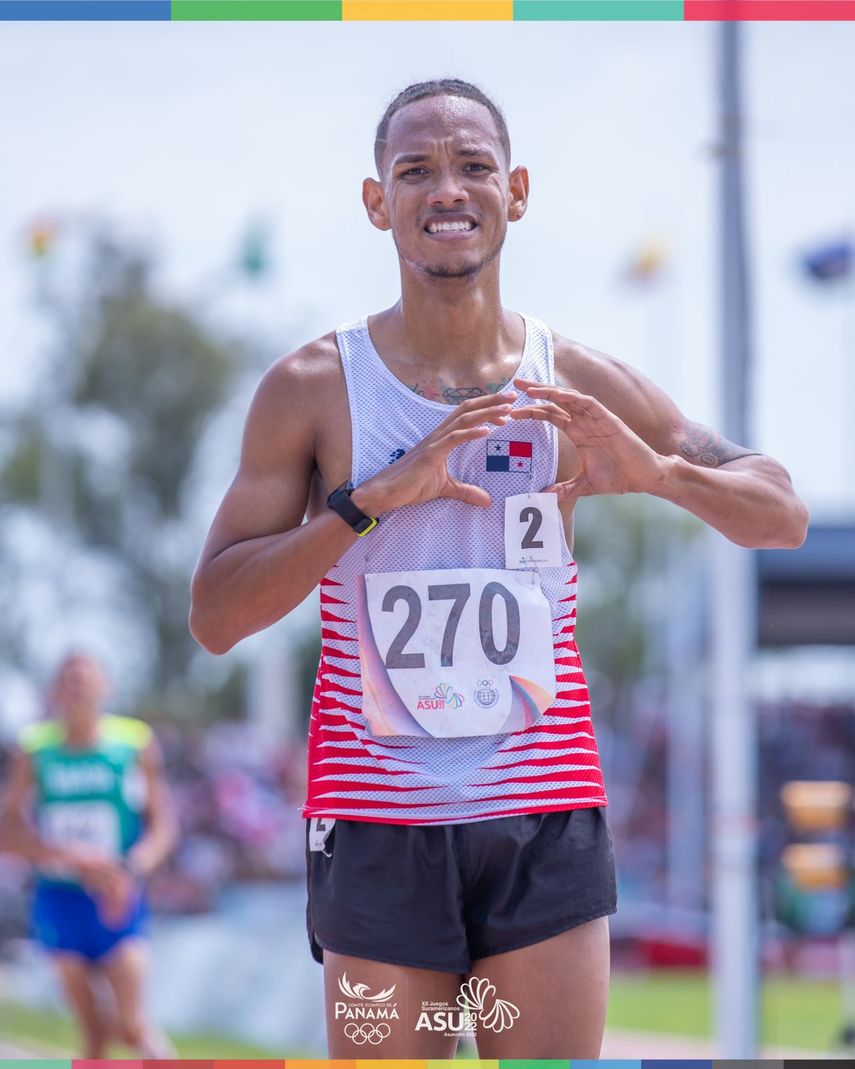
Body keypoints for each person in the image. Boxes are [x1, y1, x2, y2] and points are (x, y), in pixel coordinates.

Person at [189, 78, 808, 1058]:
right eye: (416, 170)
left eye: (473, 166)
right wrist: (367, 502)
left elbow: (780, 511)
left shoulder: (574, 382)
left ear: (515, 191)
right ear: (375, 201)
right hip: (378, 817)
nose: (448, 189)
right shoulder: (315, 389)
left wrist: (660, 475)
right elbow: (215, 616)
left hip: (543, 813)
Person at [0, 652, 178, 1058]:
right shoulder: (34, 748)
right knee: (94, 1033)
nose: (76, 686)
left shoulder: (133, 743)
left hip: (118, 897)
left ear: (105, 687)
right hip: (60, 898)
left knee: (132, 1027)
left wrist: (130, 868)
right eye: (67, 679)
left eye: (84, 678)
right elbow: (7, 832)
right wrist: (69, 854)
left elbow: (163, 826)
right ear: (55, 691)